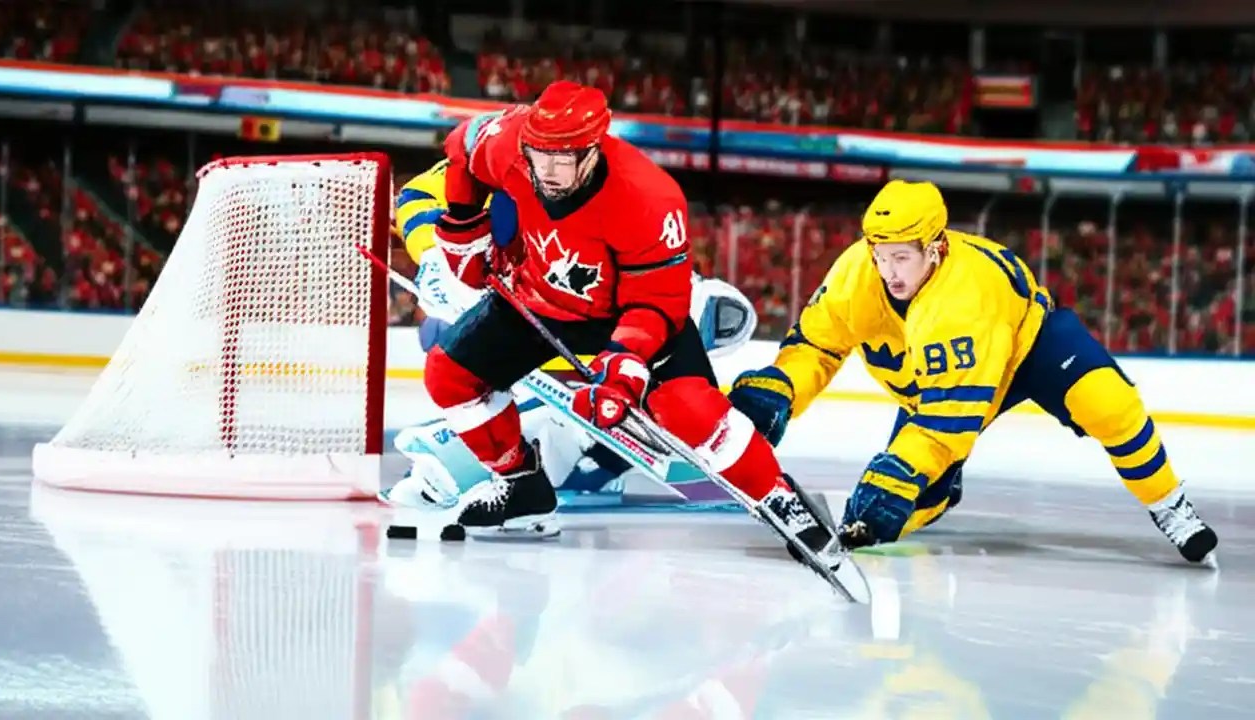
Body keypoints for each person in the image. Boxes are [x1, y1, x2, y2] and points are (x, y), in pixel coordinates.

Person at [421, 80, 830, 555]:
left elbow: (655, 303)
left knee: (689, 409)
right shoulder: (510, 143)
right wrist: (463, 228)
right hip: (537, 298)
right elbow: (462, 150)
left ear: (592, 150)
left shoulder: (649, 196)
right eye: (539, 156)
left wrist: (623, 371)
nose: (548, 172)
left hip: (626, 309)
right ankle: (522, 487)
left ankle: (780, 499)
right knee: (450, 376)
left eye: (563, 159)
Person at [728, 179, 1218, 564]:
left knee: (1110, 405)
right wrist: (783, 386)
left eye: (902, 257)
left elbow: (948, 423)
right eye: (880, 256)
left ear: (935, 248)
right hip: (943, 389)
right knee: (900, 507)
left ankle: (1169, 503)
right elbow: (817, 343)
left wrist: (899, 473)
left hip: (1031, 346)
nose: (889, 272)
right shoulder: (857, 274)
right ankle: (924, 499)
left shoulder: (964, 298)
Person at [384, 158, 757, 510]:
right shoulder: (494, 157)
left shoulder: (605, 181)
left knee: (616, 352)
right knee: (443, 338)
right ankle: (543, 452)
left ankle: (590, 442)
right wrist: (433, 255)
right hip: (504, 299)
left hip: (580, 301)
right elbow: (418, 194)